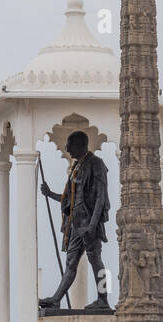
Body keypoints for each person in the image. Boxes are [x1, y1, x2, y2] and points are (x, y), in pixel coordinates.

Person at [39, 130, 111, 310]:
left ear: (81, 145)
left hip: (90, 223)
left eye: (70, 145)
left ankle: (103, 300)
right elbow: (69, 199)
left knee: (96, 261)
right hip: (75, 224)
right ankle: (56, 299)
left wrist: (93, 225)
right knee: (71, 262)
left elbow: (101, 197)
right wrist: (50, 194)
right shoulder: (76, 167)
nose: (67, 148)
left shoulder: (96, 164)